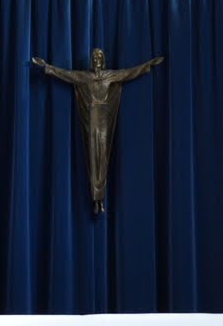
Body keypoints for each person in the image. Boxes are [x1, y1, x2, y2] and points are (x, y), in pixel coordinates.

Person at [32, 47, 164, 211]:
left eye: (98, 57)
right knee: (93, 155)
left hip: (105, 116)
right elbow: (68, 75)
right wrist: (48, 67)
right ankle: (97, 198)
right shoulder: (86, 77)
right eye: (94, 58)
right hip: (93, 116)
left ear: (103, 60)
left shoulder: (110, 76)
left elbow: (129, 73)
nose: (96, 60)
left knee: (103, 155)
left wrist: (148, 65)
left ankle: (100, 198)